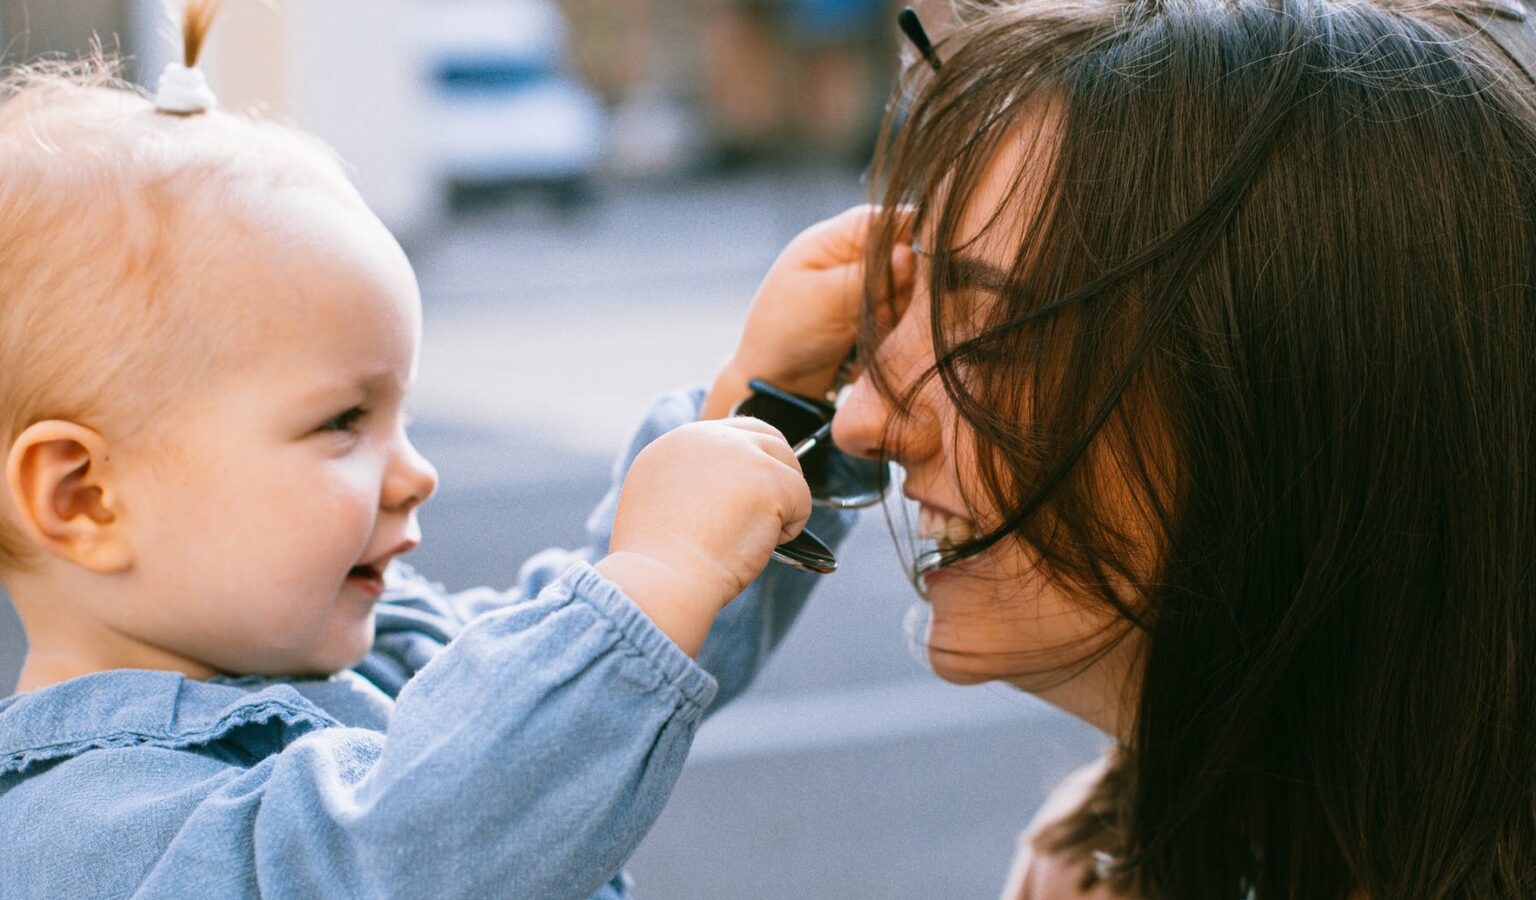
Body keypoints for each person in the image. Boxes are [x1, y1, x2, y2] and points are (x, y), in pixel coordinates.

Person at [0, 2, 903, 897]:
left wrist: (775, 400)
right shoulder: (79, 835)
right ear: (85, 497)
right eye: (341, 422)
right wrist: (659, 572)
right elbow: (393, 856)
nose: (416, 473)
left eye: (400, 417)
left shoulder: (372, 653)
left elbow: (561, 692)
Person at [830, 0, 1536, 897]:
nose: (861, 419)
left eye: (992, 331)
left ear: (1305, 389)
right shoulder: (1116, 857)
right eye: (904, 308)